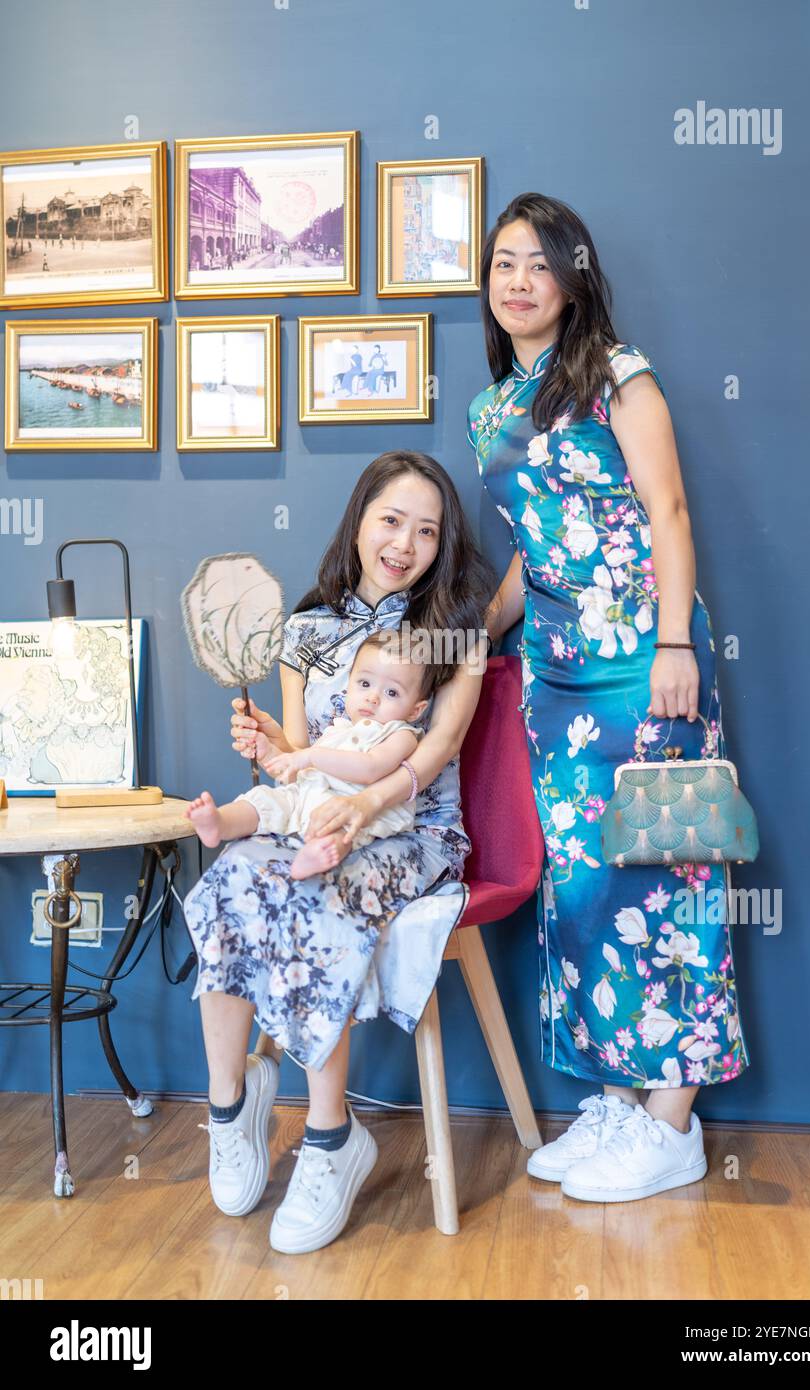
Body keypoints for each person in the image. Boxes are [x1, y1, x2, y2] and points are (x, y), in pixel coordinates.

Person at [467, 192, 750, 1204]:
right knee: (582, 889)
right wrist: (474, 637)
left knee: (661, 876)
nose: (516, 281)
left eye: (537, 263)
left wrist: (674, 640)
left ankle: (673, 1119)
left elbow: (665, 509)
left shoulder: (618, 376)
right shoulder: (494, 405)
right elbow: (526, 548)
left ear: (573, 278)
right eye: (502, 262)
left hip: (640, 660)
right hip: (552, 679)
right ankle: (621, 1097)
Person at [183, 450, 495, 1254]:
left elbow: (434, 753)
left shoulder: (453, 633)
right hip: (320, 807)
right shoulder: (308, 630)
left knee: (318, 888)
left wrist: (363, 806)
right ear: (359, 521)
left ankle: (330, 1138)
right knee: (229, 879)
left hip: (412, 830)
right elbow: (306, 749)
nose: (405, 543)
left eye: (427, 531)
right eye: (391, 520)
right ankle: (230, 1104)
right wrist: (269, 745)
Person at [184, 630, 433, 880]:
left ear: (415, 709)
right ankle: (221, 822)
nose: (373, 697)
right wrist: (270, 751)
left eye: (392, 692)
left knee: (342, 832)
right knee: (264, 799)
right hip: (307, 797)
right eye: (365, 684)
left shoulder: (401, 734)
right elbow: (302, 773)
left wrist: (310, 756)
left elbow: (371, 769)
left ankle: (315, 856)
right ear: (349, 684)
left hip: (355, 809)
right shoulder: (339, 729)